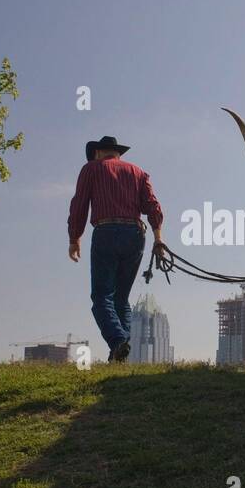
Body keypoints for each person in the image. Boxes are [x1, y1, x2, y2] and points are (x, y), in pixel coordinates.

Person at [67, 135, 165, 362]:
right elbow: (153, 206)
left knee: (102, 296)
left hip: (106, 230)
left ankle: (118, 341)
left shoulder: (91, 169)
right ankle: (118, 354)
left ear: (99, 152)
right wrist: (158, 238)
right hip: (135, 234)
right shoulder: (138, 172)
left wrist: (75, 238)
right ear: (117, 153)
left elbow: (79, 205)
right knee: (121, 299)